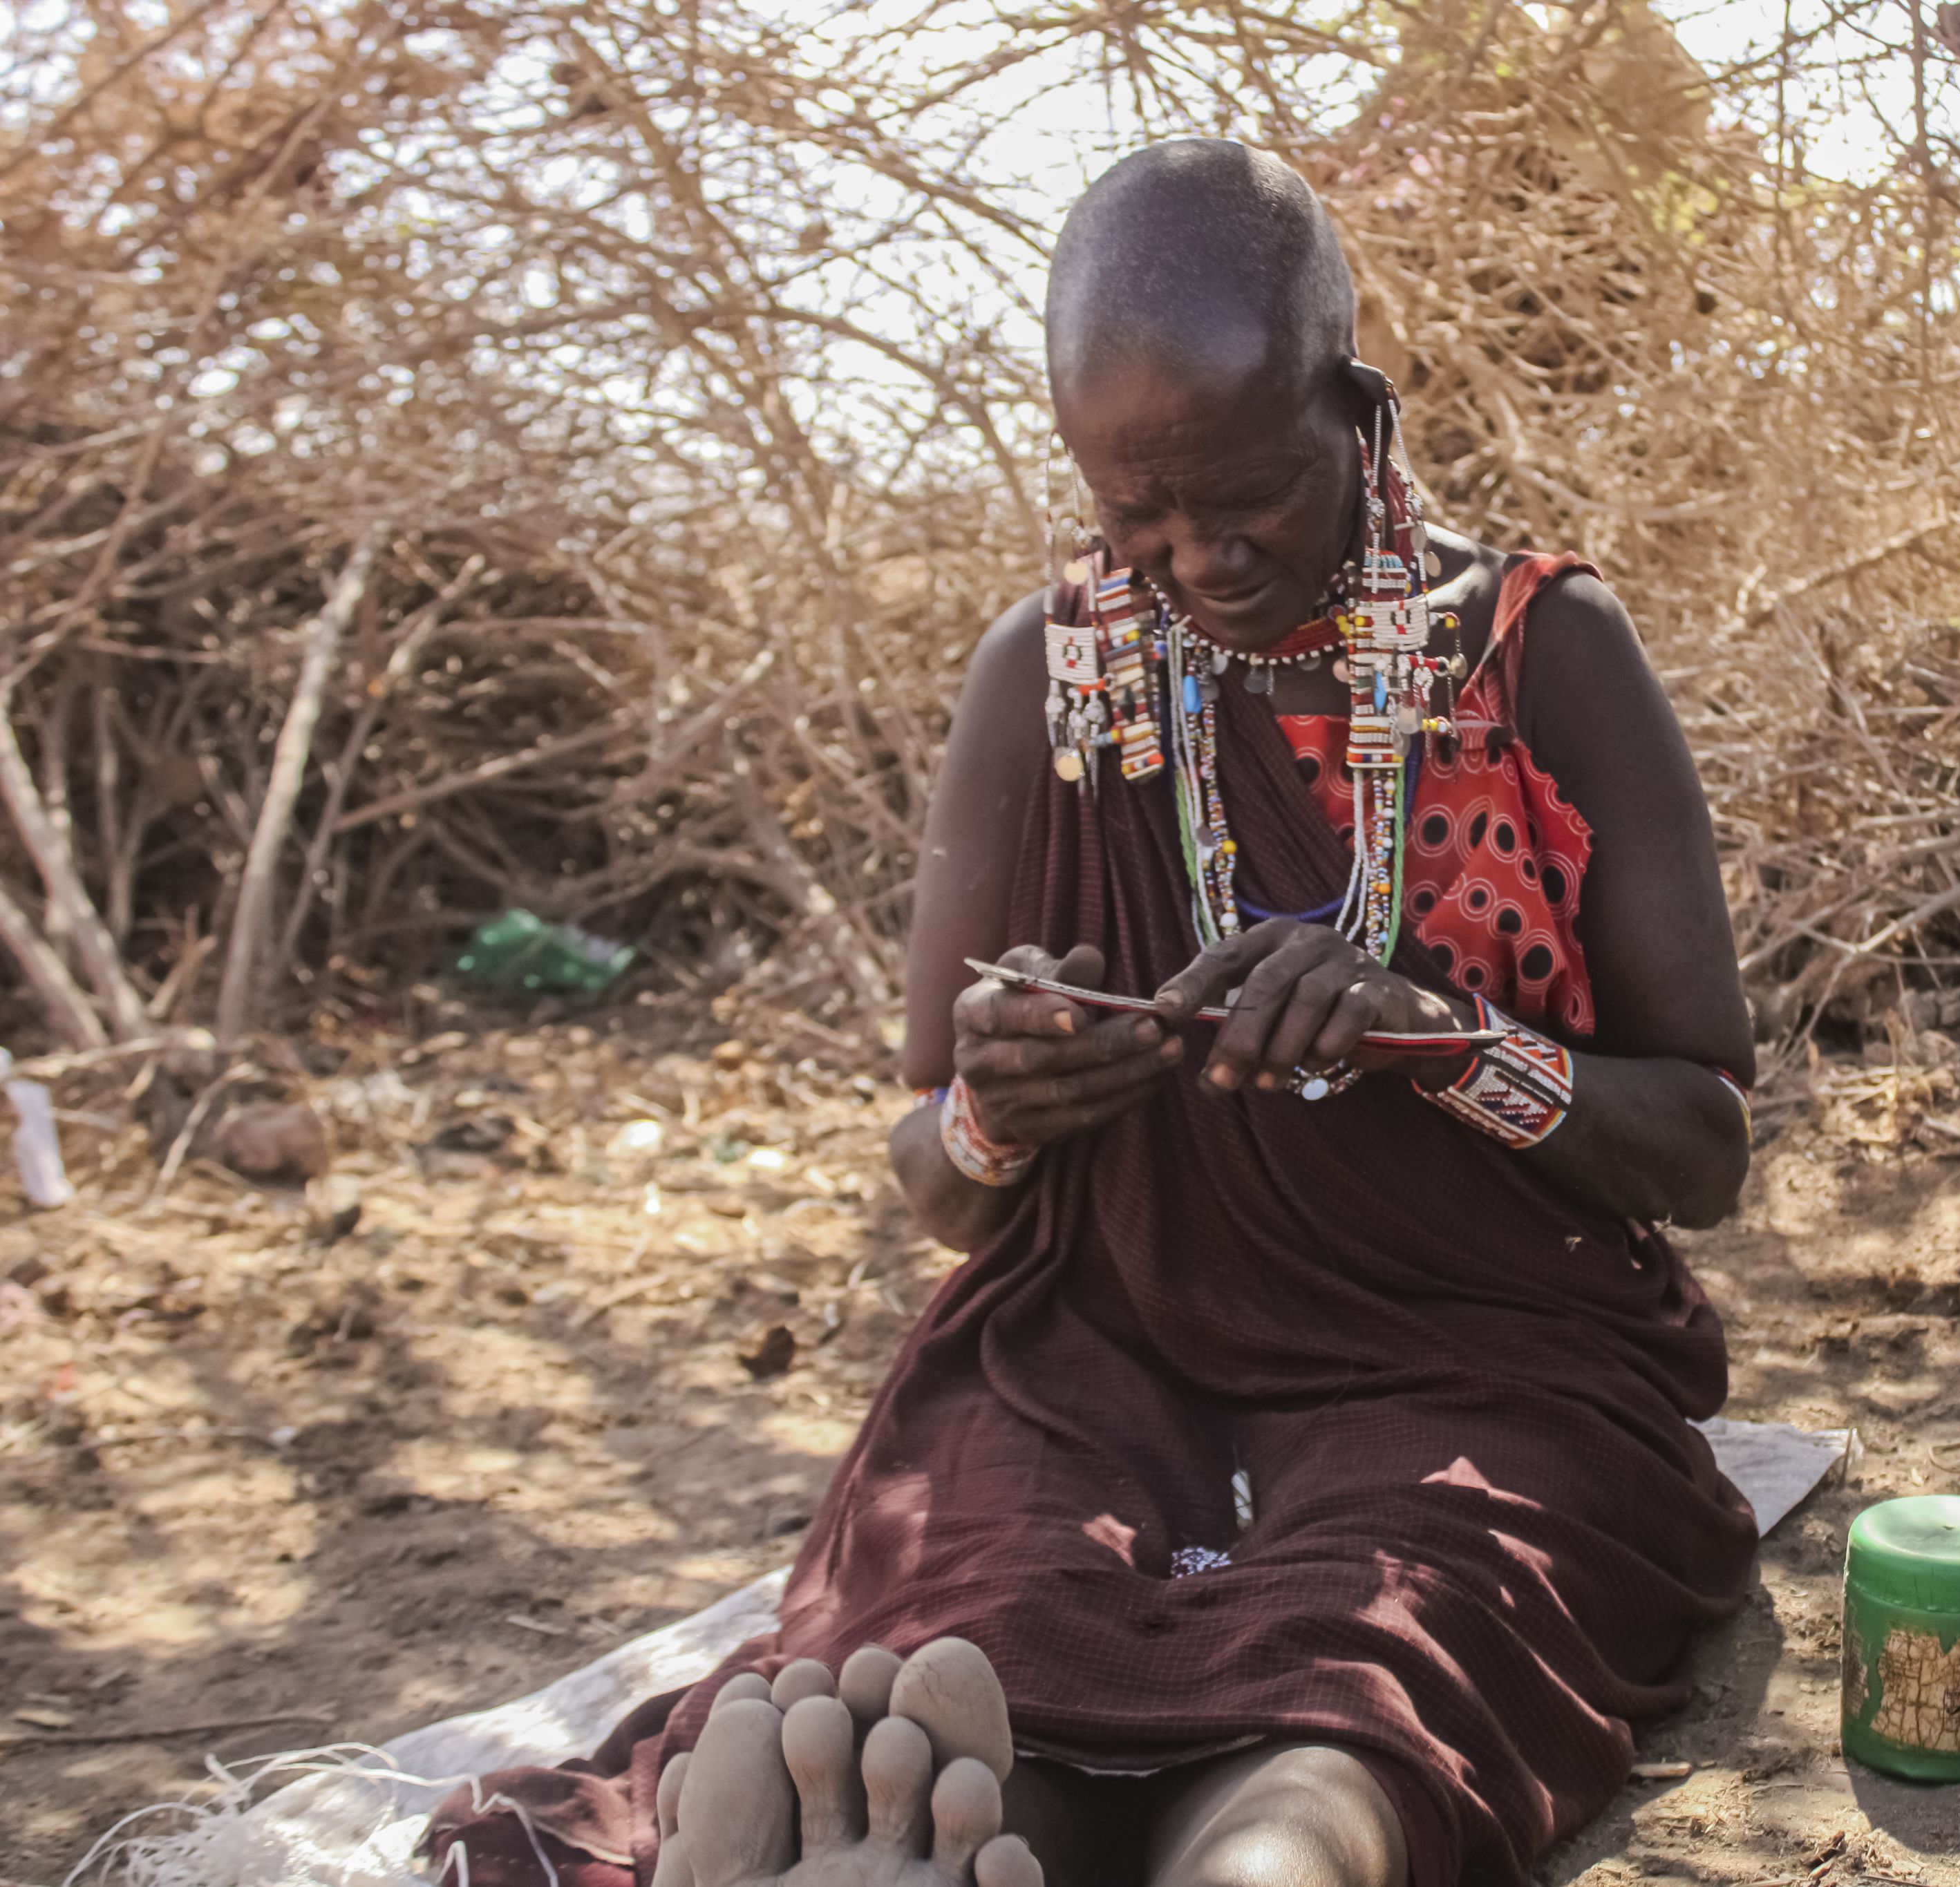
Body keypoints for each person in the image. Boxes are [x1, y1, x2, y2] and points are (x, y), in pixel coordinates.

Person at [429, 137, 1758, 1887]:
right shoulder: (1039, 679)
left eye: (1247, 493)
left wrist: (1435, 1036)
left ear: (1354, 408)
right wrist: (1006, 1101)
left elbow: (1704, 1147)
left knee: (1384, 1636)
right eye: (1135, 513)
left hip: (1478, 1355)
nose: (1195, 556)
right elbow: (941, 1178)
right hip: (1096, 1345)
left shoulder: (1535, 653)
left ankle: (1269, 1861)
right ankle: (934, 1833)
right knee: (985, 1602)